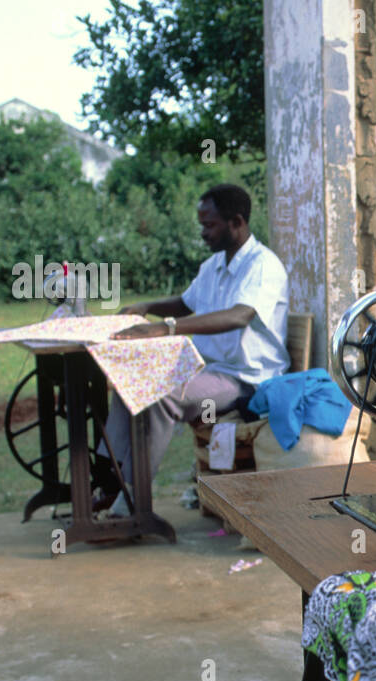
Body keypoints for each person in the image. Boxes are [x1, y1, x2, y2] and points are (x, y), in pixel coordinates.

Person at [97, 183, 289, 515]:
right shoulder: (214, 266)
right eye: (202, 224)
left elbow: (239, 315)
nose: (203, 233)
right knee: (132, 379)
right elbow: (186, 303)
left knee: (160, 394)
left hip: (245, 381)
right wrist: (147, 305)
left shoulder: (262, 266)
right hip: (209, 371)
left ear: (237, 222)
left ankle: (133, 504)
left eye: (209, 225)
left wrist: (165, 327)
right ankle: (109, 480)